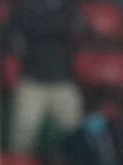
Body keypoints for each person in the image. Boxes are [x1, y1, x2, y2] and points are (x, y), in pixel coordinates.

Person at [5, 0, 84, 153]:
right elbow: (14, 33)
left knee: (76, 136)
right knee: (21, 139)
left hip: (63, 81)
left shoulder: (70, 6)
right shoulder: (25, 6)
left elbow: (79, 31)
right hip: (31, 80)